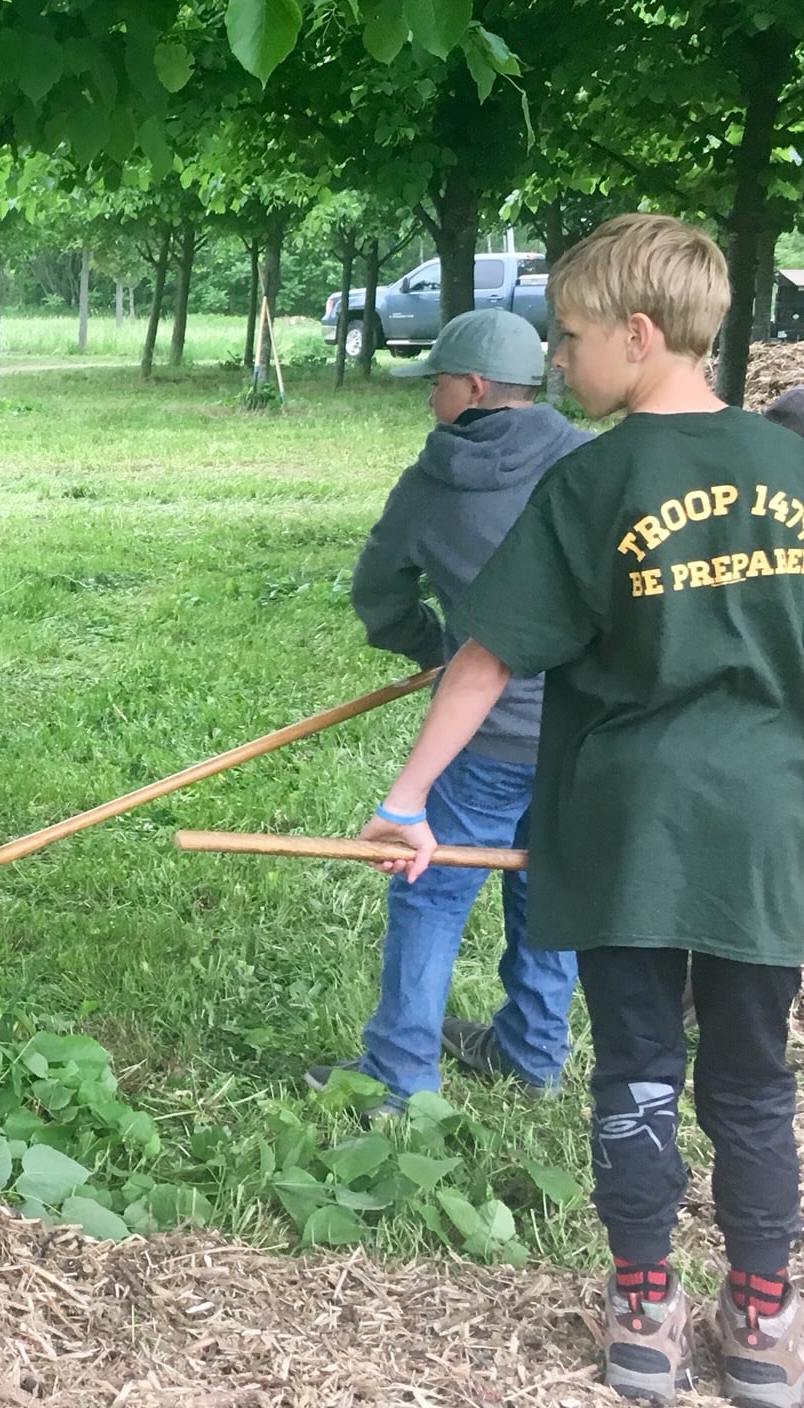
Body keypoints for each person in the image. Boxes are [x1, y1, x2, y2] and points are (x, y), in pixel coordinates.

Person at [361, 214, 804, 1405]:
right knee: (758, 1077)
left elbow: (489, 655)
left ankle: (645, 1313)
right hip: (771, 834)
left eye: (568, 337)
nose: (557, 362)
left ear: (638, 335)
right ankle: (766, 1321)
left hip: (631, 832)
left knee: (642, 1069)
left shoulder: (595, 477)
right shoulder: (794, 471)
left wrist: (410, 800)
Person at [306, 309, 587, 1112]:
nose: (430, 400)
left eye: (435, 383)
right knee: (551, 889)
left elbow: (378, 594)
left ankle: (399, 1075)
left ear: (471, 387)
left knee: (429, 892)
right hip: (581, 735)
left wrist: (434, 647)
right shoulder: (592, 462)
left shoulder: (431, 484)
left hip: (483, 736)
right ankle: (534, 1057)